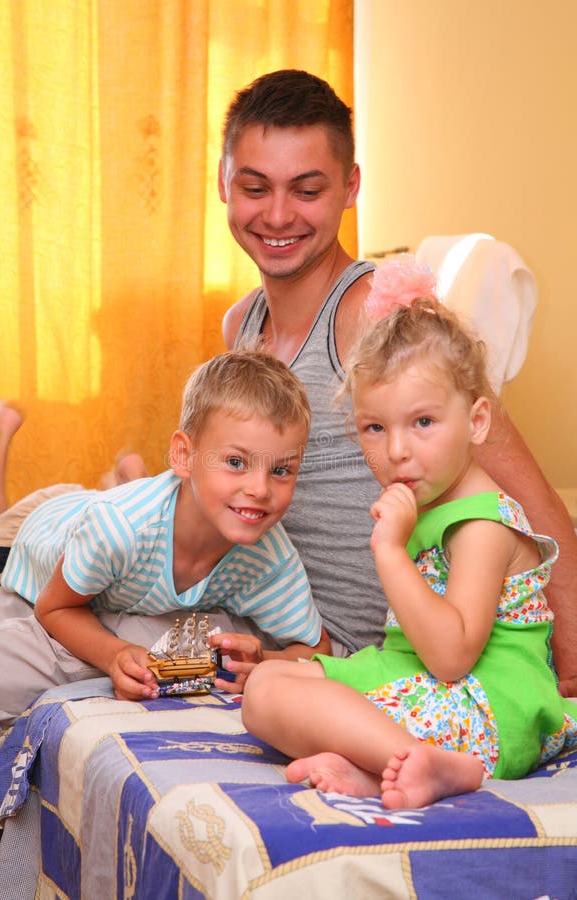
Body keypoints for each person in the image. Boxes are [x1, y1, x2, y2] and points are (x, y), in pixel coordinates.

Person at [218, 68, 577, 697]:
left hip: (397, 650)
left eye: (306, 190)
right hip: (297, 640)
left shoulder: (369, 313)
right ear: (225, 183)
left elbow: (514, 484)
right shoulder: (239, 326)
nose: (277, 214)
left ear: (350, 186)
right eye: (255, 187)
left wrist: (571, 641)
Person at [241, 257, 577, 810]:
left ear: (477, 422)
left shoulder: (480, 521)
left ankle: (429, 764)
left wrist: (390, 551)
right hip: (428, 688)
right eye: (375, 427)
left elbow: (450, 657)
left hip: (484, 711)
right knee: (268, 690)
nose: (396, 451)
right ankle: (382, 770)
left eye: (422, 422)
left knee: (284, 699)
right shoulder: (432, 500)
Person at [0, 350, 329, 744]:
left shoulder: (269, 556)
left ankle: (132, 478)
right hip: (44, 533)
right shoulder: (115, 528)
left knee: (137, 532)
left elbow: (316, 650)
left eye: (280, 470)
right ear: (183, 454)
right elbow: (54, 606)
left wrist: (264, 659)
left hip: (138, 530)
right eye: (235, 462)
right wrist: (114, 654)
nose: (261, 490)